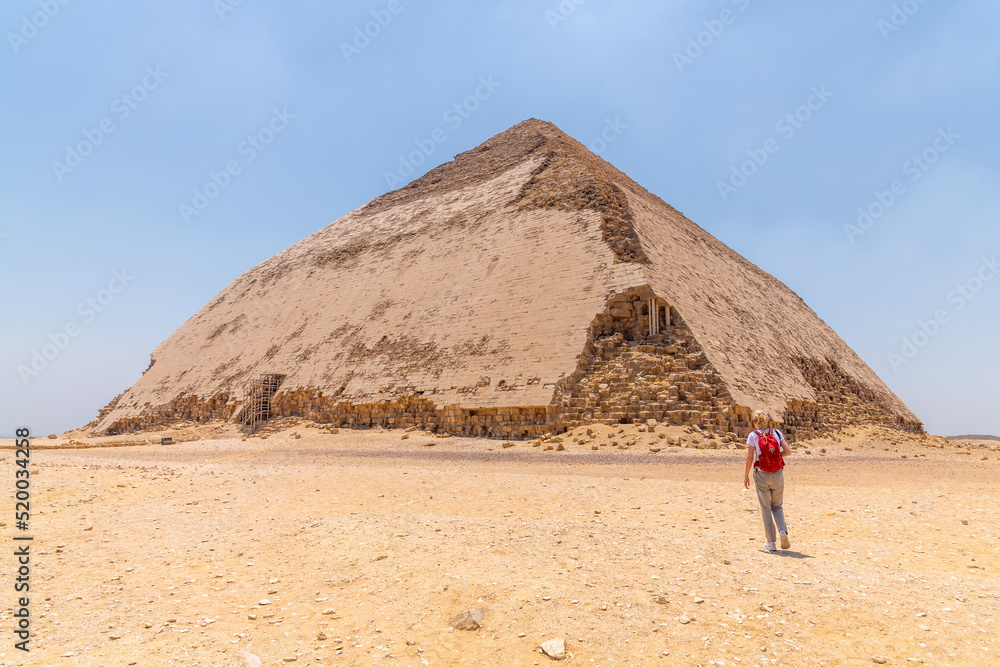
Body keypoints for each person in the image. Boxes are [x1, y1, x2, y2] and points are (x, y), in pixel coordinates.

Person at [743, 410, 791, 552]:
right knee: (777, 506)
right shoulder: (776, 433)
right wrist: (776, 457)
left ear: (754, 422)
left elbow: (750, 458)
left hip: (762, 475)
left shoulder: (753, 436)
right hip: (777, 474)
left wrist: (745, 476)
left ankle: (771, 542)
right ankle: (783, 531)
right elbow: (788, 452)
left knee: (766, 508)